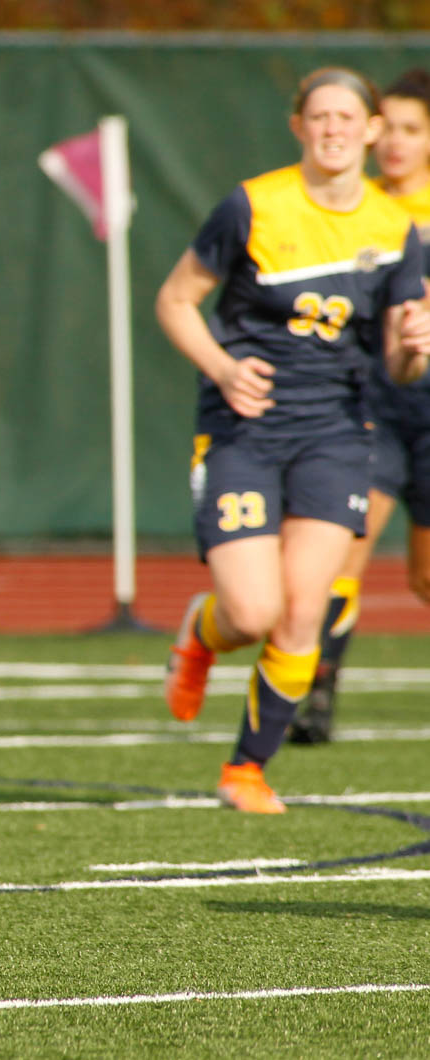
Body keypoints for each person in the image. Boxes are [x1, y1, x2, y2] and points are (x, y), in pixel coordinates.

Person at [157, 66, 430, 813]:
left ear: (371, 131)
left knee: (304, 610)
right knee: (248, 612)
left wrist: (416, 343)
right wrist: (219, 364)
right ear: (298, 127)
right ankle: (200, 632)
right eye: (320, 117)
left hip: (335, 433)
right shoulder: (251, 205)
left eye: (349, 117)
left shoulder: (393, 228)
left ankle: (245, 768)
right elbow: (175, 300)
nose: (334, 129)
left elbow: (400, 367)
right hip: (243, 427)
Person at [292, 67, 430, 744]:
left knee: (423, 577)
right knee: (341, 555)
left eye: (413, 129)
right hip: (374, 403)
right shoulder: (357, 207)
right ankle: (314, 691)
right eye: (390, 129)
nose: (397, 143)